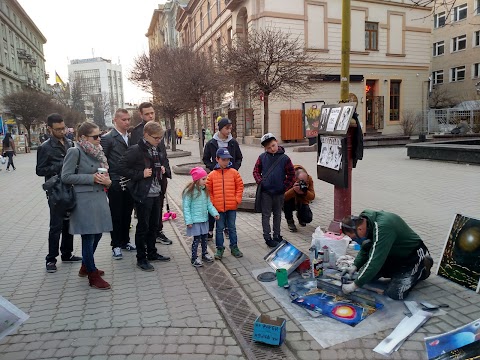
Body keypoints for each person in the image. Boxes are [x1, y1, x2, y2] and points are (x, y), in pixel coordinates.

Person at [62, 122, 113, 290]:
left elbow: (103, 173)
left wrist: (107, 181)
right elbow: (66, 176)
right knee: (88, 236)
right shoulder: (74, 151)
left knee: (98, 233)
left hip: (98, 197)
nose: (99, 139)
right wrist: (91, 178)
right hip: (83, 200)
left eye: (100, 135)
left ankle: (86, 265)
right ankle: (92, 274)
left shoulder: (98, 152)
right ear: (84, 137)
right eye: (96, 136)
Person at [340, 210, 434, 300]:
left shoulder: (382, 228)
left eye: (355, 237)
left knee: (395, 293)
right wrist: (355, 266)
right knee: (367, 277)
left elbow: (374, 262)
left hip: (411, 256)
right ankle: (399, 274)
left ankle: (422, 268)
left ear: (359, 229)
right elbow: (366, 247)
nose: (356, 240)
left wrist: (354, 285)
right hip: (393, 254)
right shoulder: (366, 221)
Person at [119, 121, 171, 272]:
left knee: (154, 226)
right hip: (143, 194)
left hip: (156, 193)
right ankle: (141, 258)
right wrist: (140, 174)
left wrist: (163, 169)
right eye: (156, 138)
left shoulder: (156, 148)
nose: (159, 140)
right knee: (143, 227)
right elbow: (121, 167)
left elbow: (164, 165)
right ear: (146, 135)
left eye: (161, 138)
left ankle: (152, 253)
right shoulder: (135, 150)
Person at [36, 114, 82, 273]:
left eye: (63, 128)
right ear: (50, 129)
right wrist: (61, 166)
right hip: (56, 190)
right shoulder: (45, 147)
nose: (62, 131)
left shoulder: (70, 142)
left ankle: (67, 254)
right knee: (56, 226)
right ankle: (51, 259)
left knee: (69, 223)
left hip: (70, 187)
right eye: (58, 129)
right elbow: (39, 170)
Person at [130, 102, 172, 245]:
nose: (150, 116)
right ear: (141, 115)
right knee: (146, 211)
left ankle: (157, 231)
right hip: (147, 177)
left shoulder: (158, 128)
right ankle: (148, 238)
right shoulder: (137, 131)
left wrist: (166, 170)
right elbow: (137, 155)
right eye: (147, 113)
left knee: (158, 205)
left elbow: (163, 153)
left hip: (160, 175)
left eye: (152, 113)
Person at [101, 109, 136, 260]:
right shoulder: (108, 138)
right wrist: (108, 181)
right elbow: (102, 160)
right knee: (116, 214)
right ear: (115, 120)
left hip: (130, 181)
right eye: (124, 119)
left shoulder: (130, 136)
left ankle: (125, 241)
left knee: (127, 213)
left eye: (128, 119)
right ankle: (115, 245)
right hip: (115, 181)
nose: (127, 122)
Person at [202, 117, 243, 239]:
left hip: (229, 177)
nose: (229, 130)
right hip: (216, 177)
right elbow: (205, 158)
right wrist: (213, 167)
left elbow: (239, 157)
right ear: (220, 128)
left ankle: (227, 228)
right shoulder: (211, 143)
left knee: (227, 203)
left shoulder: (233, 142)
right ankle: (210, 229)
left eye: (230, 128)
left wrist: (234, 168)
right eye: (227, 128)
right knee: (214, 203)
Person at [253, 133, 295, 248]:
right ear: (265, 148)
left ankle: (277, 235)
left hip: (279, 192)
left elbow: (291, 174)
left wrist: (284, 187)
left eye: (273, 145)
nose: (272, 149)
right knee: (266, 215)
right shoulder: (262, 157)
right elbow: (256, 171)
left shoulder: (285, 158)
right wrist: (261, 182)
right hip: (266, 192)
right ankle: (267, 237)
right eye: (268, 147)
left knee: (277, 214)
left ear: (277, 142)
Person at [206, 148, 244, 260]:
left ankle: (234, 247)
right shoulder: (212, 175)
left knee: (232, 228)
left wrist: (237, 199)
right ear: (217, 159)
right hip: (218, 208)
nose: (226, 162)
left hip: (231, 206)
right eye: (223, 159)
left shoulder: (234, 173)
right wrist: (213, 203)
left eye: (228, 159)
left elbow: (240, 186)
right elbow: (208, 190)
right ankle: (219, 248)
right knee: (219, 228)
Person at [182, 167, 219, 267]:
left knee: (204, 238)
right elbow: (186, 207)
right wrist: (188, 221)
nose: (205, 181)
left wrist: (214, 213)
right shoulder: (189, 192)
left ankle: (204, 253)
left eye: (205, 178)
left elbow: (209, 204)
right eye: (203, 179)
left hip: (204, 220)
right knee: (196, 239)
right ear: (197, 180)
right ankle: (194, 258)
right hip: (195, 221)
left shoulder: (204, 191)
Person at [284, 166, 315, 232]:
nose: (303, 183)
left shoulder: (309, 178)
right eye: (301, 181)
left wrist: (305, 192)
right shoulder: (287, 178)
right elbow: (282, 197)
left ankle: (300, 216)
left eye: (305, 182)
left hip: (301, 200)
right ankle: (290, 221)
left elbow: (312, 196)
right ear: (295, 178)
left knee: (307, 219)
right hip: (289, 201)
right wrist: (293, 190)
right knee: (286, 203)